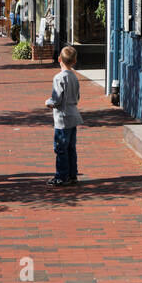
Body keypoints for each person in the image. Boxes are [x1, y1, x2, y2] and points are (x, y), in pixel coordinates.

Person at [45, 44, 82, 186]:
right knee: (71, 147)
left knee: (61, 147)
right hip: (74, 115)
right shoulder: (74, 77)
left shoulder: (59, 78)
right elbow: (77, 96)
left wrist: (49, 103)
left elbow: (56, 98)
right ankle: (73, 174)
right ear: (74, 61)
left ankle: (61, 176)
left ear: (59, 59)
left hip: (62, 117)